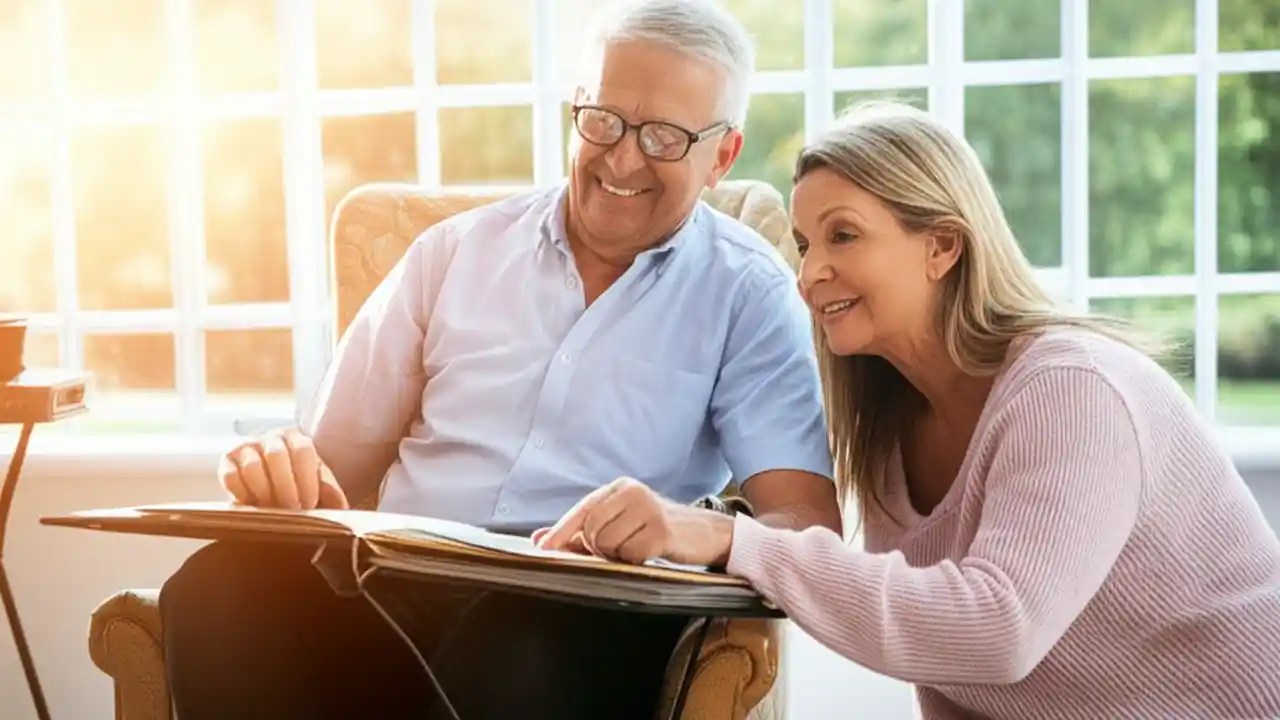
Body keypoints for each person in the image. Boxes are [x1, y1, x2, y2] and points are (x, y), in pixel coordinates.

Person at [158, 2, 841, 719]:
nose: (622, 158)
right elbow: (328, 477)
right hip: (391, 594)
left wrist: (683, 528)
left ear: (721, 156)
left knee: (515, 655)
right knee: (215, 590)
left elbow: (808, 531)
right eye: (603, 120)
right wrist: (279, 469)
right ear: (577, 109)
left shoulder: (750, 296)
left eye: (664, 137)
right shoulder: (452, 255)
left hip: (582, 618)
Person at [541, 101, 1280, 719]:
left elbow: (997, 630)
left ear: (943, 247)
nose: (809, 273)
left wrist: (730, 539)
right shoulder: (891, 436)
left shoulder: (1073, 389)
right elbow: (952, 673)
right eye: (803, 244)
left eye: (844, 235)